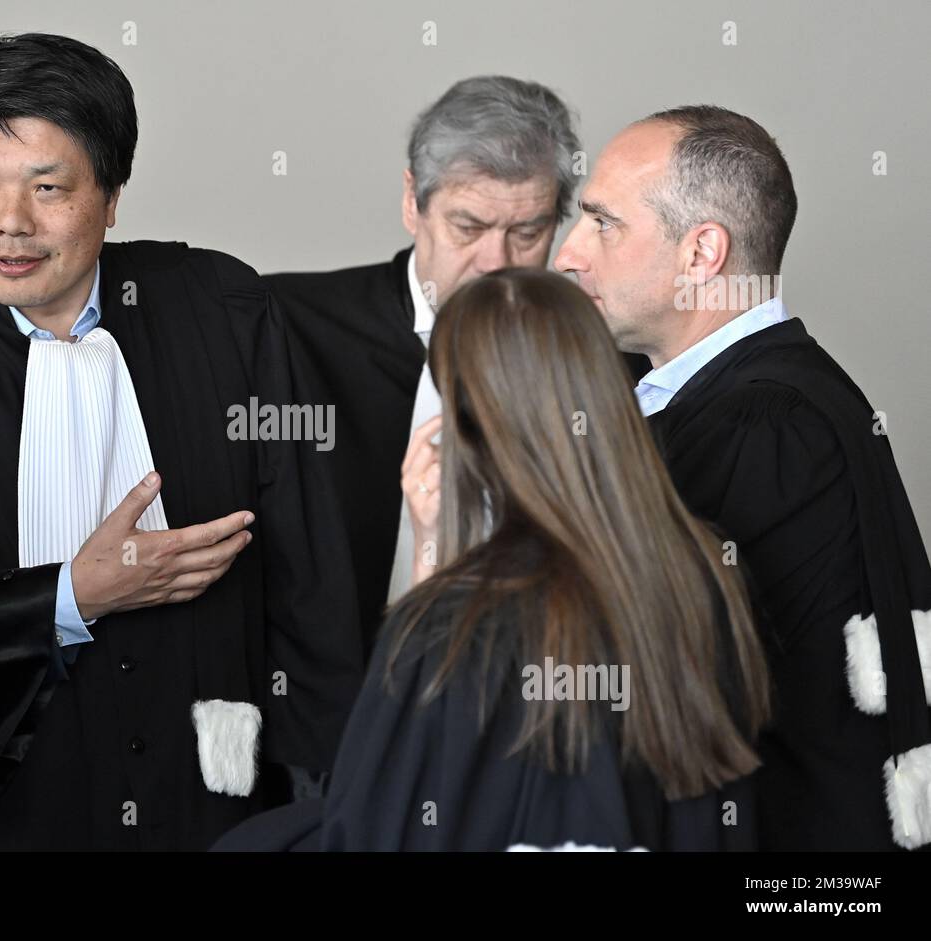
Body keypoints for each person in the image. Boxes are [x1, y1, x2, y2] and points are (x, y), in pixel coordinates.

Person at [0, 33, 363, 850]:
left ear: (112, 194)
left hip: (215, 794)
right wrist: (68, 597)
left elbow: (311, 577)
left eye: (48, 188)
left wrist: (331, 790)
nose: (9, 224)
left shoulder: (223, 309)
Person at [216, 269, 770, 851]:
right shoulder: (707, 575)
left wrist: (429, 572)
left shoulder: (457, 624)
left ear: (462, 431)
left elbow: (372, 825)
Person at [555, 105, 931, 850]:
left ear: (702, 254)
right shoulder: (726, 397)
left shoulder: (768, 424)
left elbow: (649, 676)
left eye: (604, 224)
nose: (569, 253)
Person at [267, 76, 651, 664]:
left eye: (528, 232)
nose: (496, 263)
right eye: (467, 228)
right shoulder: (283, 330)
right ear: (411, 202)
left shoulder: (610, 367)